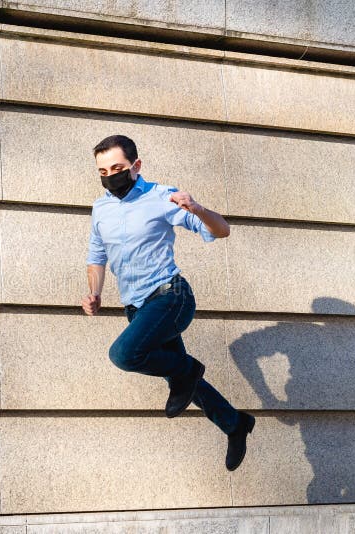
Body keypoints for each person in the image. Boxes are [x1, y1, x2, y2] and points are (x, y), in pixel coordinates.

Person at [80, 134, 255, 471]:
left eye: (117, 168)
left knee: (124, 354)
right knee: (187, 385)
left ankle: (187, 370)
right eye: (103, 171)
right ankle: (235, 424)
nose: (110, 175)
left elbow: (221, 230)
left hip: (170, 296)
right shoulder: (101, 208)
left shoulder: (162, 196)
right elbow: (96, 256)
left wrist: (198, 208)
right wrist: (96, 293)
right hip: (136, 308)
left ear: (136, 166)